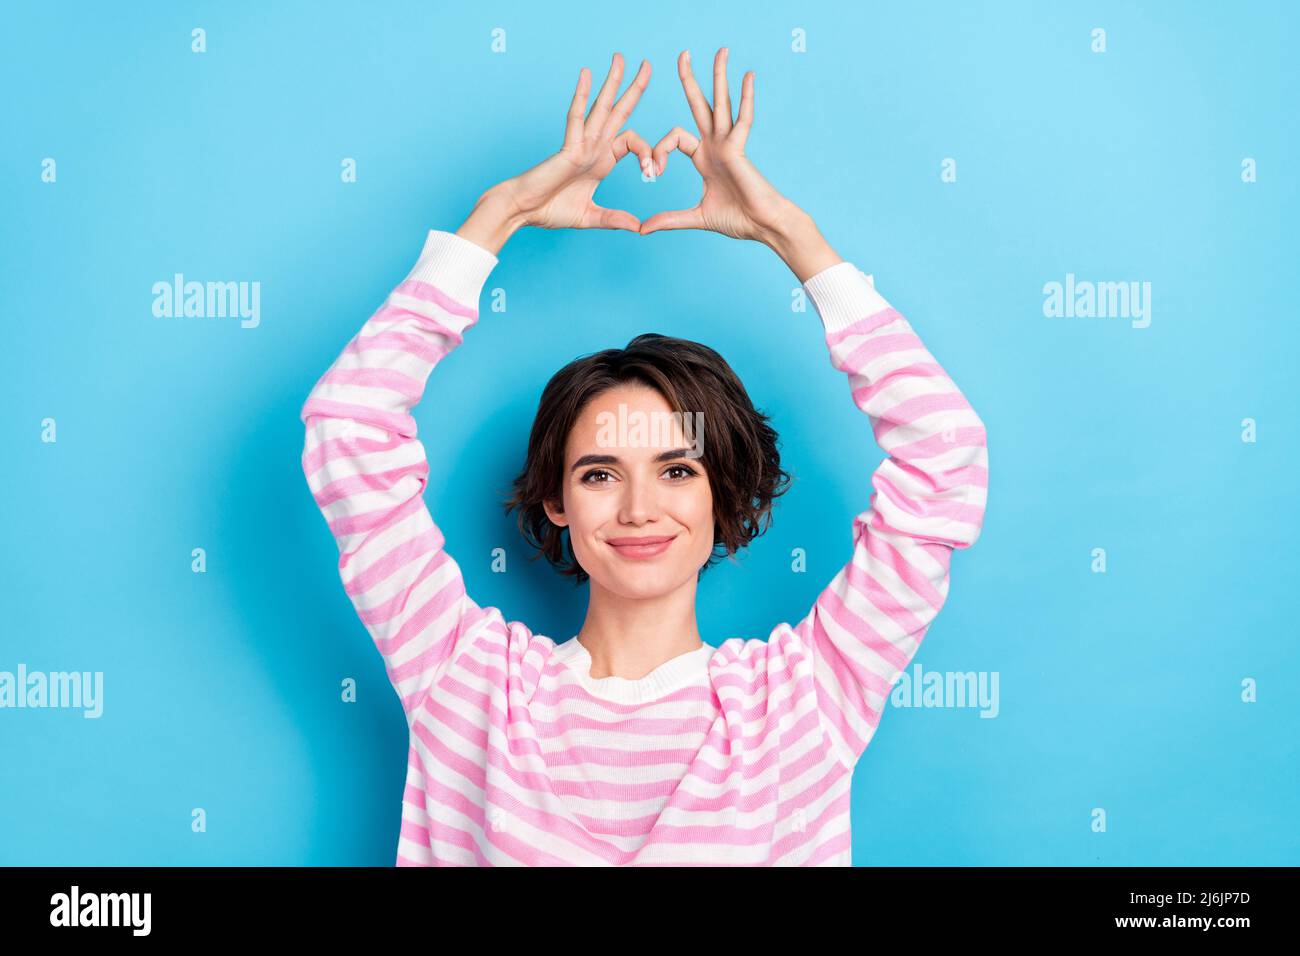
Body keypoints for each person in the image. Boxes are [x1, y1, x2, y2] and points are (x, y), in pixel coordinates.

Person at [300, 48, 989, 865]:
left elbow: (946, 456)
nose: (637, 509)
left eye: (677, 470)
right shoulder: (467, 683)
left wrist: (792, 237)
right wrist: (498, 217)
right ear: (555, 499)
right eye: (599, 474)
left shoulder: (804, 699)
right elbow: (347, 427)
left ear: (721, 494)